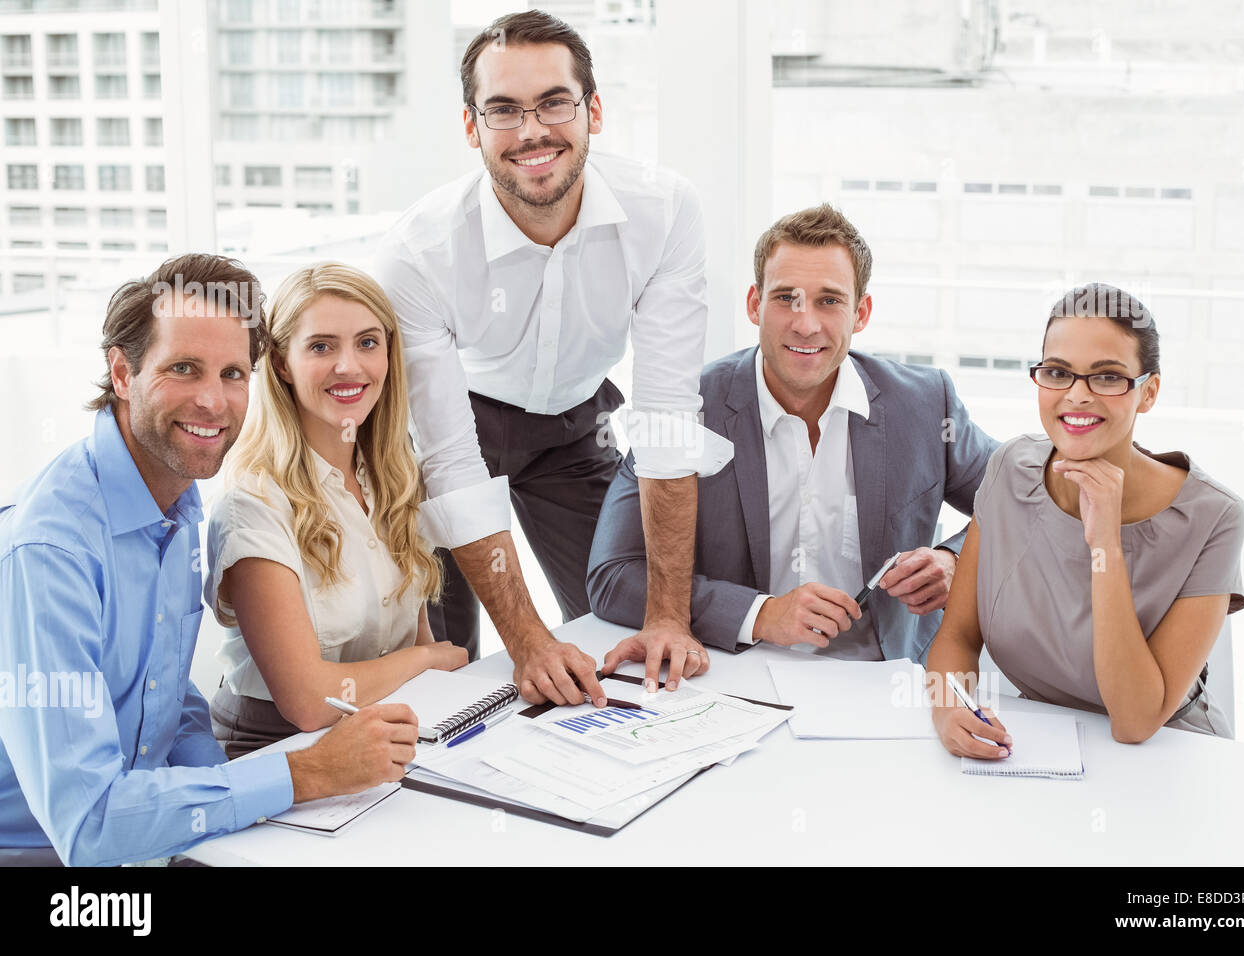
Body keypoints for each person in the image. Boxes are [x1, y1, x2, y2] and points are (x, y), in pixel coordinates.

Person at [0, 255, 420, 866]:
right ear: (122, 371)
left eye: (231, 373)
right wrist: (302, 775)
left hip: (153, 839)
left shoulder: (174, 501)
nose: (213, 401)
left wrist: (249, 805)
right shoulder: (50, 551)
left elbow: (166, 706)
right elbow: (88, 826)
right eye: (183, 369)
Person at [372, 9, 732, 699]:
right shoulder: (418, 252)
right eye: (503, 110)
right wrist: (529, 644)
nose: (532, 130)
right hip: (445, 434)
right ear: (471, 127)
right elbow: (450, 461)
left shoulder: (663, 212)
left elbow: (665, 423)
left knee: (615, 608)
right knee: (449, 663)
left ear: (593, 110)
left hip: (574, 423)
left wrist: (666, 617)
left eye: (554, 103)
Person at [587, 205, 998, 663]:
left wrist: (955, 562)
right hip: (736, 670)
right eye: (786, 298)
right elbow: (613, 574)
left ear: (860, 312)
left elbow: (1021, 504)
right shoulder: (685, 405)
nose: (806, 323)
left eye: (829, 300)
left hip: (889, 677)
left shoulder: (924, 403)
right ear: (753, 304)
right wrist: (760, 614)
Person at [927, 283, 1244, 756]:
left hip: (1169, 756)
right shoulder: (1010, 468)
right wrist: (949, 707)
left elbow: (1135, 721)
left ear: (1148, 392)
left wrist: (1105, 543)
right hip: (1040, 743)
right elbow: (957, 636)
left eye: (1107, 376)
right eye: (1058, 372)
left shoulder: (1214, 517)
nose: (1077, 396)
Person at [204, 264, 469, 758]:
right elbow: (308, 699)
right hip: (273, 748)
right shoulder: (253, 503)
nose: (349, 366)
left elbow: (415, 640)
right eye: (322, 347)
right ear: (281, 363)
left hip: (378, 727)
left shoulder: (394, 474)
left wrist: (424, 662)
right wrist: (424, 659)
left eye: (368, 343)